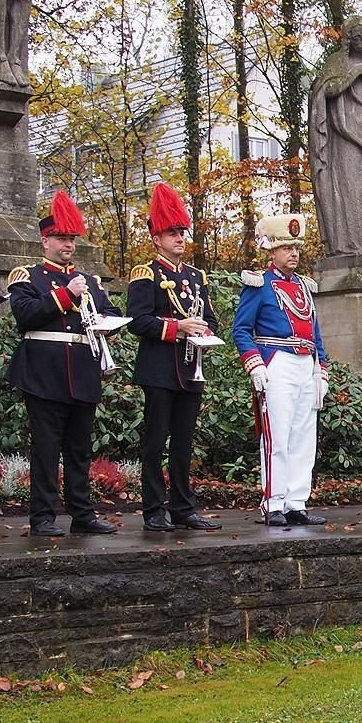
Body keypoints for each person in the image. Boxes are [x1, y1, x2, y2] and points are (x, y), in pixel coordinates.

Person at [7, 190, 120, 537]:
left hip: (82, 371)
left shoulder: (90, 282)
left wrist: (106, 323)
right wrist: (66, 294)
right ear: (45, 241)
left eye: (71, 238)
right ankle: (42, 516)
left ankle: (82, 513)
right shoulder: (28, 276)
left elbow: (110, 311)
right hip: (44, 372)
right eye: (60, 238)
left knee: (79, 449)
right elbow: (25, 315)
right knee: (45, 449)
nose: (68, 244)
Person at [126, 182, 220, 532]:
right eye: (172, 232)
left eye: (182, 231)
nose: (180, 238)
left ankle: (183, 508)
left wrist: (202, 330)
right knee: (154, 442)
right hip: (159, 369)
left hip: (190, 367)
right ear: (156, 238)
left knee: (183, 442)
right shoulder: (146, 273)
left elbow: (209, 318)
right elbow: (138, 320)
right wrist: (177, 328)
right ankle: (153, 510)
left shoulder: (196, 277)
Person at [233, 213, 331, 527]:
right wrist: (254, 363)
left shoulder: (304, 286)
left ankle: (296, 502)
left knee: (305, 436)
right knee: (278, 436)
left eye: (296, 248)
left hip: (306, 363)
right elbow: (241, 330)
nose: (294, 253)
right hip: (276, 361)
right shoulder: (258, 283)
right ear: (272, 250)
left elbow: (315, 333)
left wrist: (322, 368)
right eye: (287, 247)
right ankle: (273, 502)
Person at [307, 15, 362, 257]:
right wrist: (355, 74)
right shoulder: (337, 62)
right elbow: (323, 92)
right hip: (345, 139)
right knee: (349, 191)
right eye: (359, 36)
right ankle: (347, 246)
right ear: (348, 39)